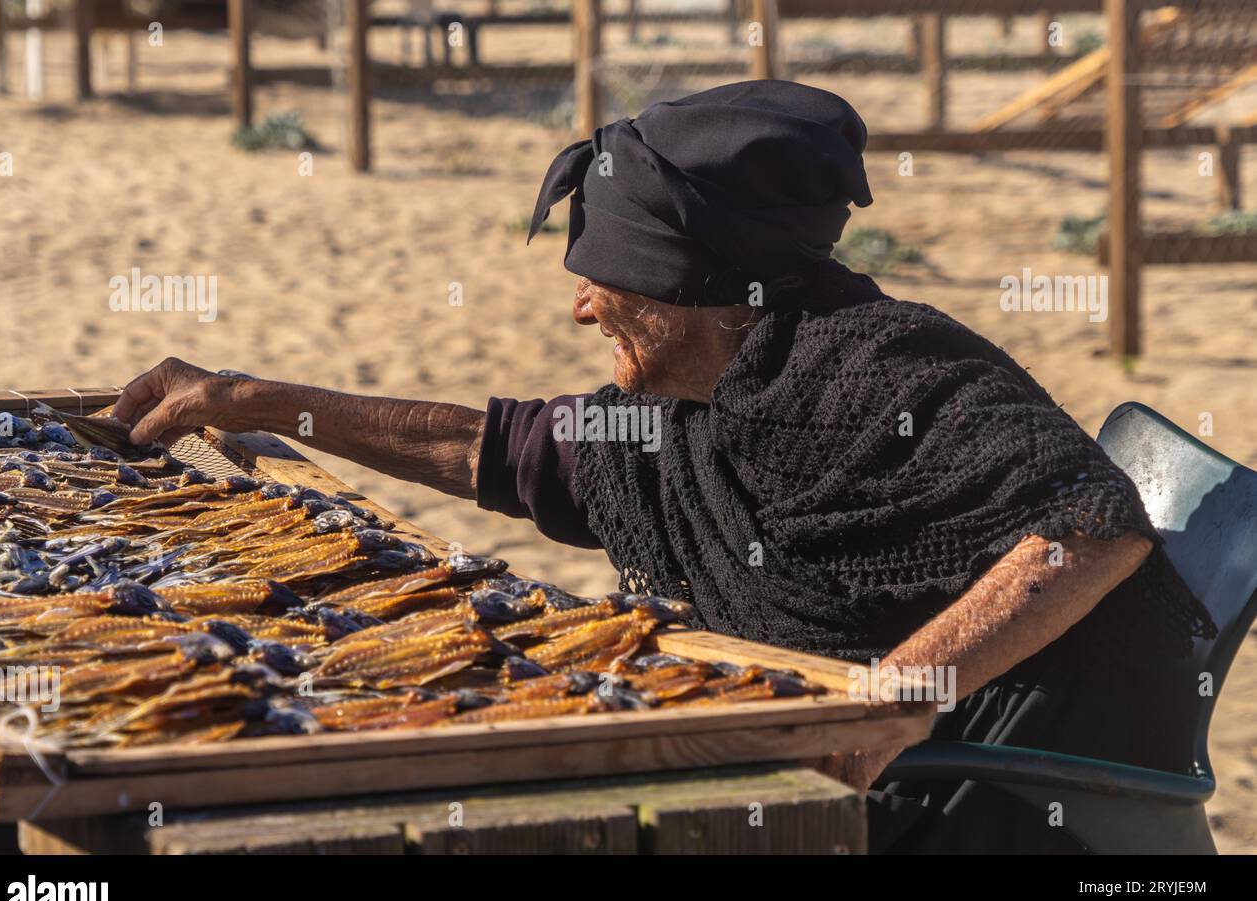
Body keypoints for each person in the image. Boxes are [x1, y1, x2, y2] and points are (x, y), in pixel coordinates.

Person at [115, 80, 1214, 853]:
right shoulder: (708, 396)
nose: (581, 303)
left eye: (605, 280)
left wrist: (886, 706)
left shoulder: (876, 368)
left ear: (694, 289)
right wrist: (260, 402)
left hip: (997, 812)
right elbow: (491, 449)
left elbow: (1089, 525)